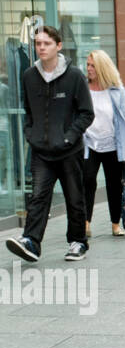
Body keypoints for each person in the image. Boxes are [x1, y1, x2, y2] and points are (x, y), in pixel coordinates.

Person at [6, 23, 93, 264]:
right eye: (38, 43)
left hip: (68, 150)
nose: (41, 47)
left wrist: (69, 136)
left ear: (58, 46)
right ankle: (31, 241)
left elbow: (87, 113)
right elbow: (28, 111)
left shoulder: (74, 76)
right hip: (41, 151)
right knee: (38, 196)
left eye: (46, 43)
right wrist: (30, 134)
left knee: (74, 197)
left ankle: (78, 242)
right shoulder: (29, 76)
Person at [82, 50, 125, 239]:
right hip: (89, 143)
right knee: (87, 181)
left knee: (114, 185)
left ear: (102, 68)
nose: (88, 69)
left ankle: (115, 224)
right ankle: (85, 223)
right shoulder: (83, 88)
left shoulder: (116, 90)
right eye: (87, 65)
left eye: (92, 65)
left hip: (113, 144)